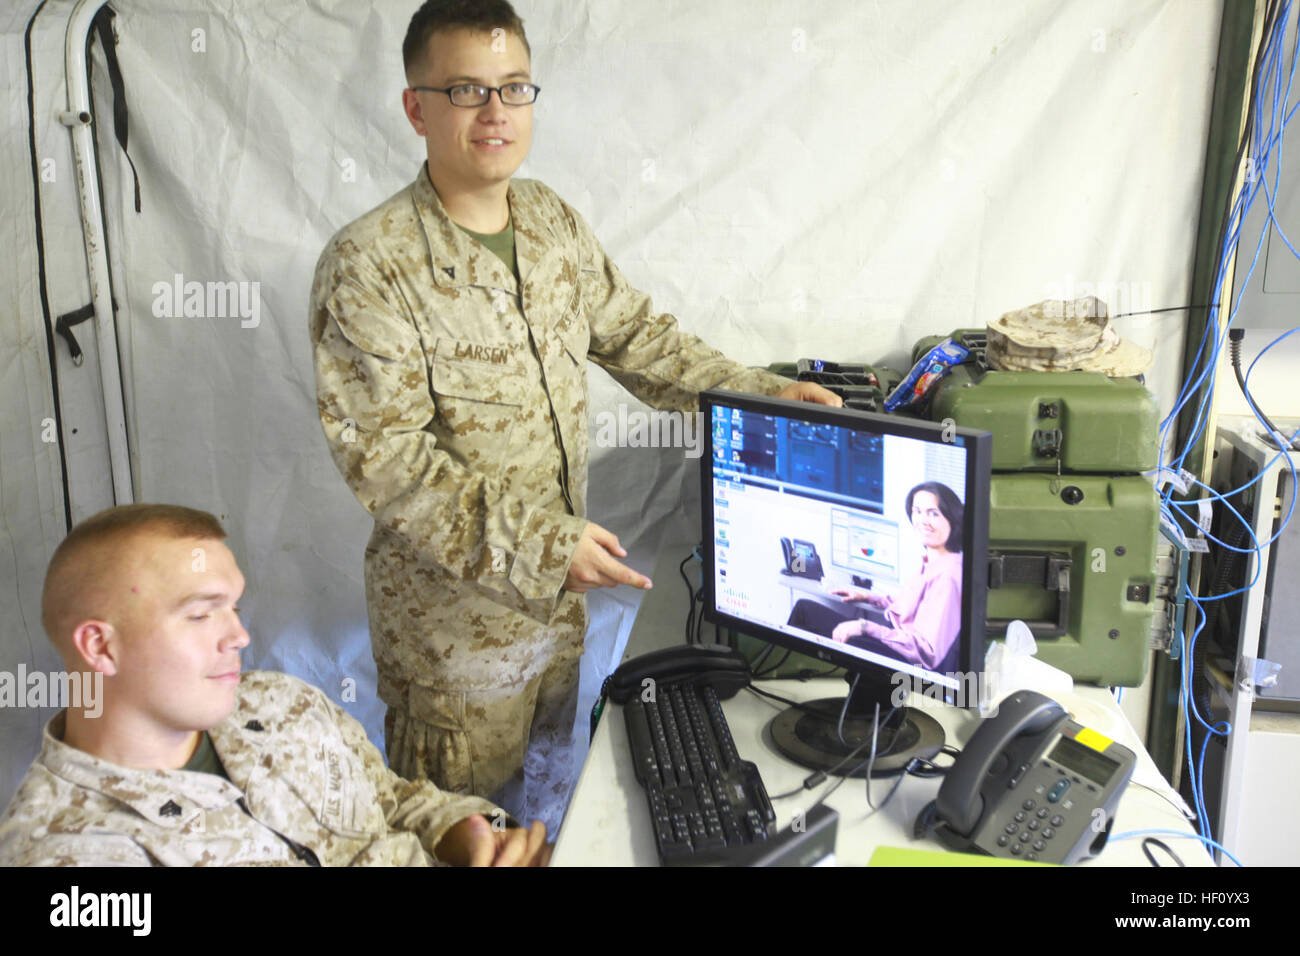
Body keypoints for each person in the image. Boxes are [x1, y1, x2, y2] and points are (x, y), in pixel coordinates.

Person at [308, 0, 839, 829]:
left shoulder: (550, 221)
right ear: (415, 106)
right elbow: (388, 462)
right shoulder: (370, 265)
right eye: (466, 91)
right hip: (457, 650)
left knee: (552, 820)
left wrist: (756, 395)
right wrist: (547, 547)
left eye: (514, 88)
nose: (495, 113)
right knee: (462, 841)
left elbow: (635, 336)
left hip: (557, 626)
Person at [0, 504, 550, 867]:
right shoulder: (65, 852)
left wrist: (470, 835)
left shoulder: (276, 702)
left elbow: (396, 799)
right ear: (100, 647)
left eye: (233, 607)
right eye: (200, 614)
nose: (238, 635)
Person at [786, 482, 964, 674]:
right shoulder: (934, 561)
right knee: (809, 611)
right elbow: (913, 605)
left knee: (804, 610)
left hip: (906, 660)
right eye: (917, 511)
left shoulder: (948, 574)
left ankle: (787, 676)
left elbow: (926, 651)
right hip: (898, 644)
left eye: (933, 513)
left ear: (952, 519)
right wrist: (869, 598)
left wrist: (865, 626)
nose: (923, 520)